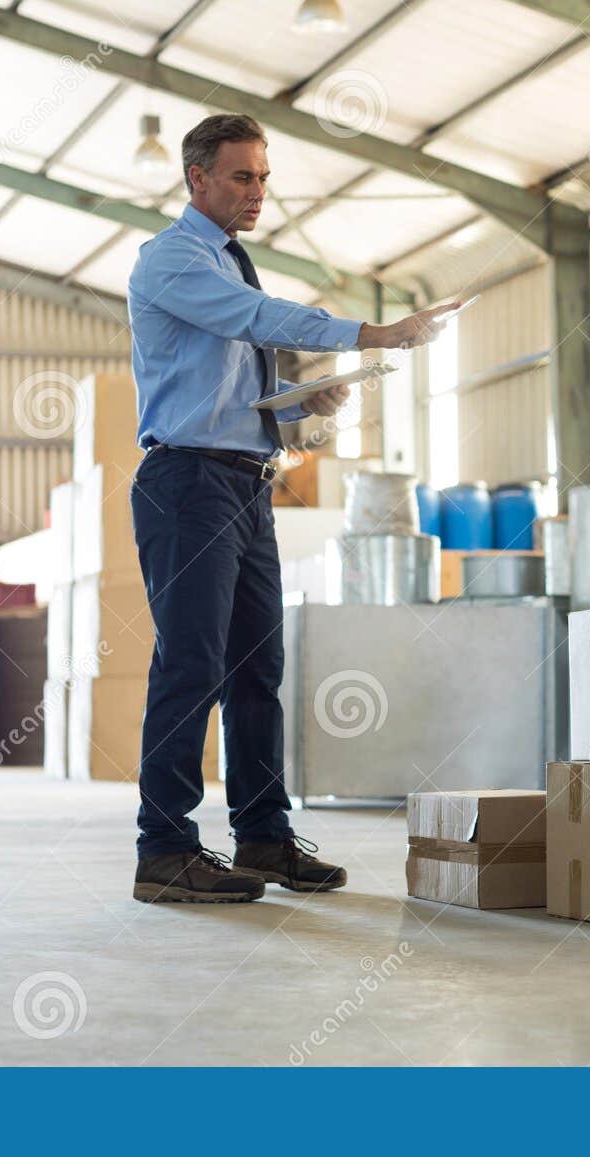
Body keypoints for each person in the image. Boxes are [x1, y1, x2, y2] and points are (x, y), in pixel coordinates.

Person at [127, 113, 460, 904]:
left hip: (243, 481)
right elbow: (256, 319)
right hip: (188, 485)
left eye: (264, 177)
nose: (257, 193)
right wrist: (371, 332)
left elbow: (235, 390)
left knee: (256, 670)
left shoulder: (231, 264)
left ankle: (264, 835)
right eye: (241, 177)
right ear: (196, 178)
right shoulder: (173, 260)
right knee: (193, 664)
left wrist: (306, 411)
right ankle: (165, 847)